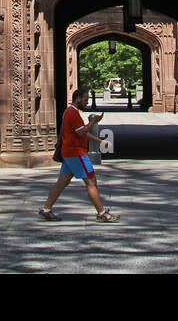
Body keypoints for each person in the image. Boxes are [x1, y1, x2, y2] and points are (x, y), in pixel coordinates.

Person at [39, 88, 120, 222]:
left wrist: (100, 141)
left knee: (61, 182)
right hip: (76, 153)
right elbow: (81, 132)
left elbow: (82, 132)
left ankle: (46, 209)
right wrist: (93, 122)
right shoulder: (72, 113)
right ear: (78, 98)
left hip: (69, 153)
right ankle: (102, 214)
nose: (87, 102)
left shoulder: (70, 112)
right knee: (91, 180)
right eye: (85, 99)